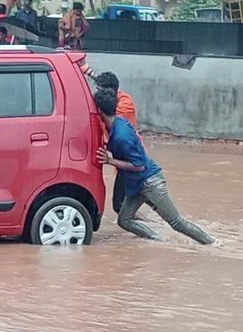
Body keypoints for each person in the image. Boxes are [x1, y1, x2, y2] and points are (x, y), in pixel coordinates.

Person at [94, 88, 215, 245]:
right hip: (137, 184)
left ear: (99, 110)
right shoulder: (119, 124)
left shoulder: (120, 135)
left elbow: (138, 166)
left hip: (150, 182)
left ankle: (212, 243)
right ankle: (158, 240)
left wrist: (110, 161)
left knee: (176, 222)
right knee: (124, 220)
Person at [92, 71, 138, 214]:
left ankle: (155, 232)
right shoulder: (117, 95)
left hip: (132, 162)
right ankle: (156, 228)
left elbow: (106, 110)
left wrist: (110, 161)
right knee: (131, 204)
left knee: (121, 207)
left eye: (99, 92)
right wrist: (88, 71)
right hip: (127, 161)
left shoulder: (124, 106)